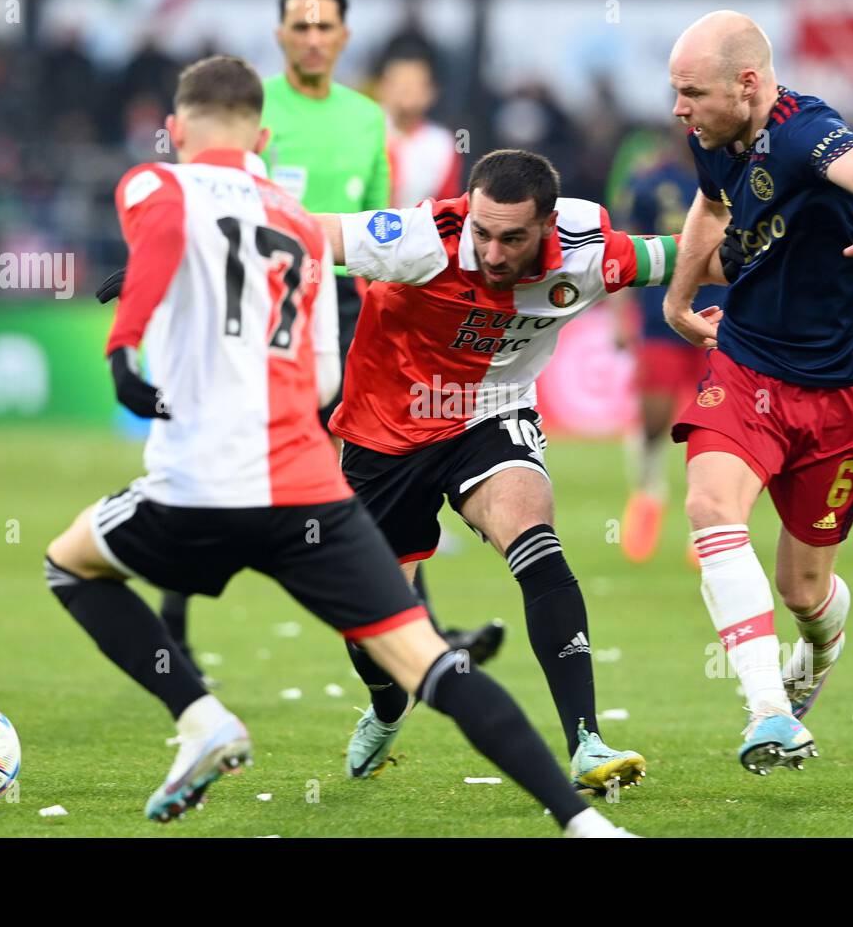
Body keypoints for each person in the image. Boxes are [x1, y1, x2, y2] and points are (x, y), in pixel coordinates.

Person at [46, 55, 631, 837]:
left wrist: (128, 355)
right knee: (425, 662)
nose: (494, 251)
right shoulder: (299, 222)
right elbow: (325, 369)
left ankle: (201, 716)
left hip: (225, 473)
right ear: (263, 135)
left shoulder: (159, 184)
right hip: (320, 475)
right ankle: (584, 825)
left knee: (69, 563)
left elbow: (157, 236)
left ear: (176, 132)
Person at [313, 148, 707, 789]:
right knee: (371, 625)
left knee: (536, 541)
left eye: (513, 238)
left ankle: (587, 742)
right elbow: (304, 232)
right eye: (483, 233)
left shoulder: (589, 251)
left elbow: (692, 253)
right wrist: (171, 263)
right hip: (385, 432)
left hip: (490, 418)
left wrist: (805, 249)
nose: (494, 254)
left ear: (548, 227)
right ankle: (387, 707)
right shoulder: (420, 238)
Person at [156, 0, 498, 677]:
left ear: (344, 37)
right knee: (222, 459)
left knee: (378, 468)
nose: (312, 38)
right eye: (300, 27)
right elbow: (201, 191)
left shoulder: (365, 119)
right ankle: (172, 629)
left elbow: (382, 229)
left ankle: (422, 640)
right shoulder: (249, 109)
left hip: (341, 310)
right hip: (259, 301)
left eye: (325, 27)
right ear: (280, 34)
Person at [663, 11, 853, 774]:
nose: (679, 108)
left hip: (846, 387)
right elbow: (710, 205)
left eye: (692, 92)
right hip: (749, 365)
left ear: (748, 85)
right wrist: (677, 301)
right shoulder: (711, 133)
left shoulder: (806, 134)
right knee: (709, 506)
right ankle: (770, 713)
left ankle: (820, 644)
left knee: (803, 588)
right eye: (676, 92)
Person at [607, 127, 724, 563]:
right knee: (654, 419)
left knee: (716, 421)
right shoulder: (649, 180)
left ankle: (710, 517)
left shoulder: (744, 175)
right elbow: (621, 248)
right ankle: (648, 492)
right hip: (663, 318)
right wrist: (620, 315)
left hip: (724, 320)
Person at [378, 52, 463, 207]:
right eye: (400, 84)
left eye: (415, 85)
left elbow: (447, 204)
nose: (407, 91)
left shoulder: (441, 144)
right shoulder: (363, 131)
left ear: (431, 92)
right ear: (383, 87)